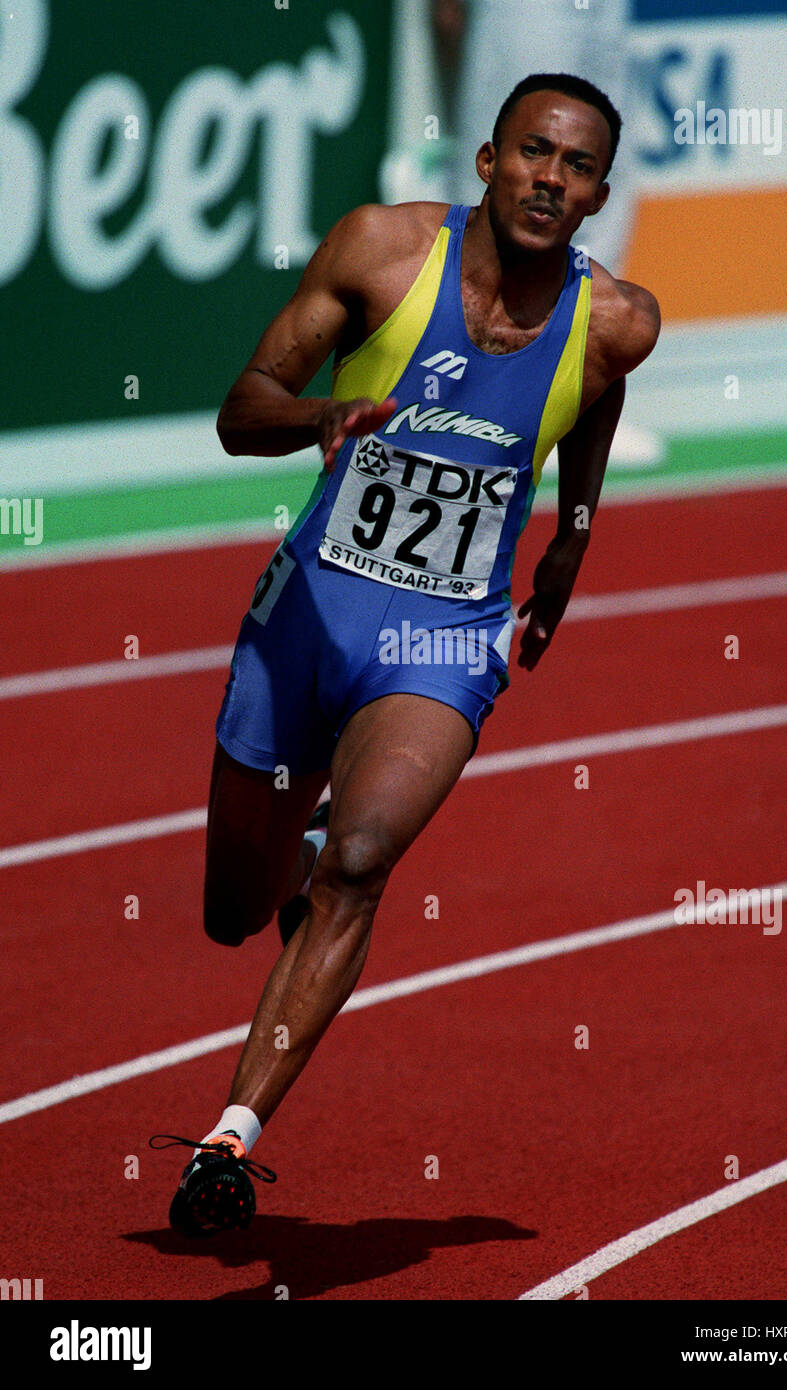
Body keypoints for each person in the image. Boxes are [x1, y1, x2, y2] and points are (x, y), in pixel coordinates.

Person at [151, 72, 660, 1237]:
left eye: (577, 167)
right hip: (309, 616)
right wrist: (318, 419)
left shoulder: (616, 320)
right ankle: (292, 865)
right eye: (533, 152)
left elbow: (594, 403)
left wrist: (569, 548)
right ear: (485, 161)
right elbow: (243, 405)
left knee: (366, 859)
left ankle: (227, 1145)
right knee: (235, 909)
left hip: (447, 635)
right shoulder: (381, 254)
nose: (550, 178)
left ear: (595, 195)